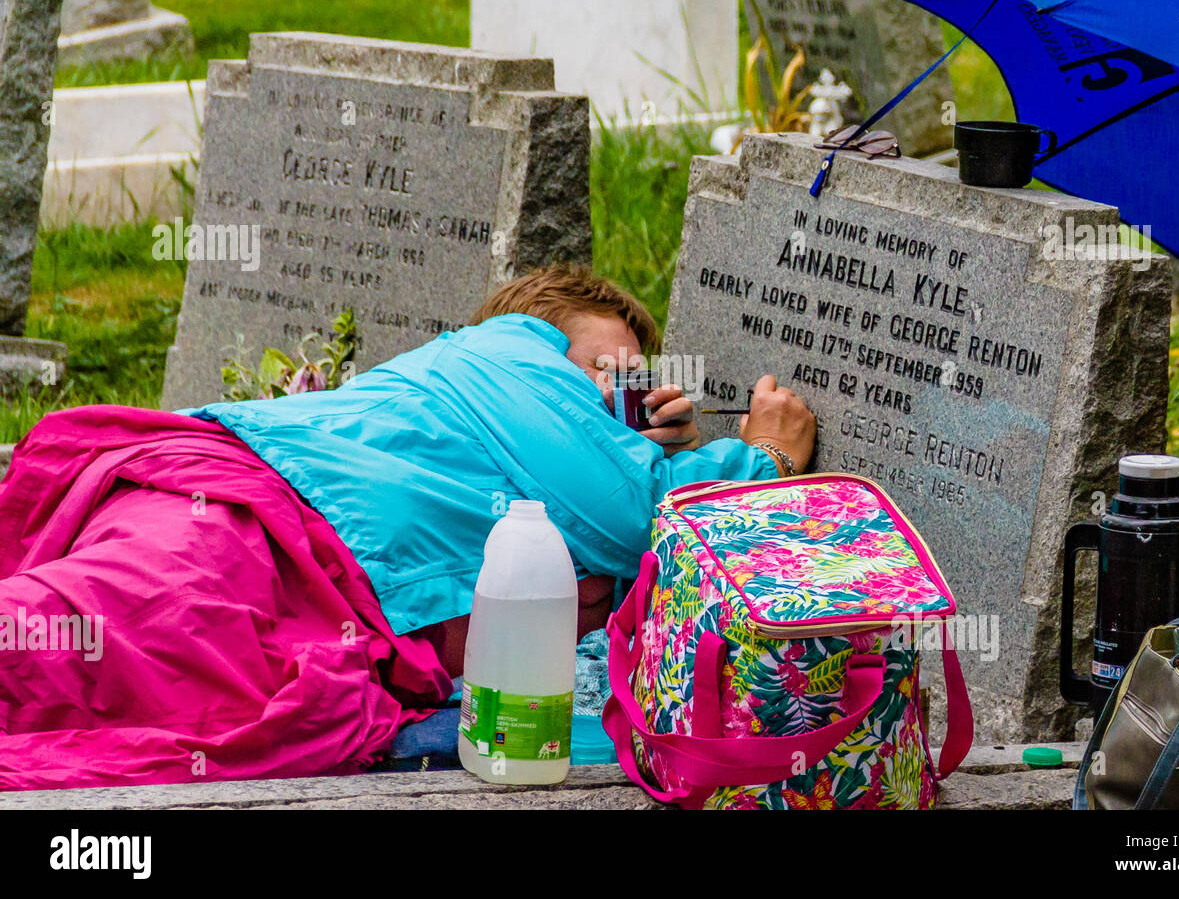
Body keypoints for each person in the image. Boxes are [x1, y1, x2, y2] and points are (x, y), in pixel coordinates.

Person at [0, 264, 815, 789]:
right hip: (252, 532)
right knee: (58, 644)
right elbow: (635, 517)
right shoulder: (509, 352)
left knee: (106, 683)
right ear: (547, 326)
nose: (628, 391)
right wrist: (766, 460)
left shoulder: (499, 423)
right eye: (613, 369)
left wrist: (629, 438)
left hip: (282, 565)